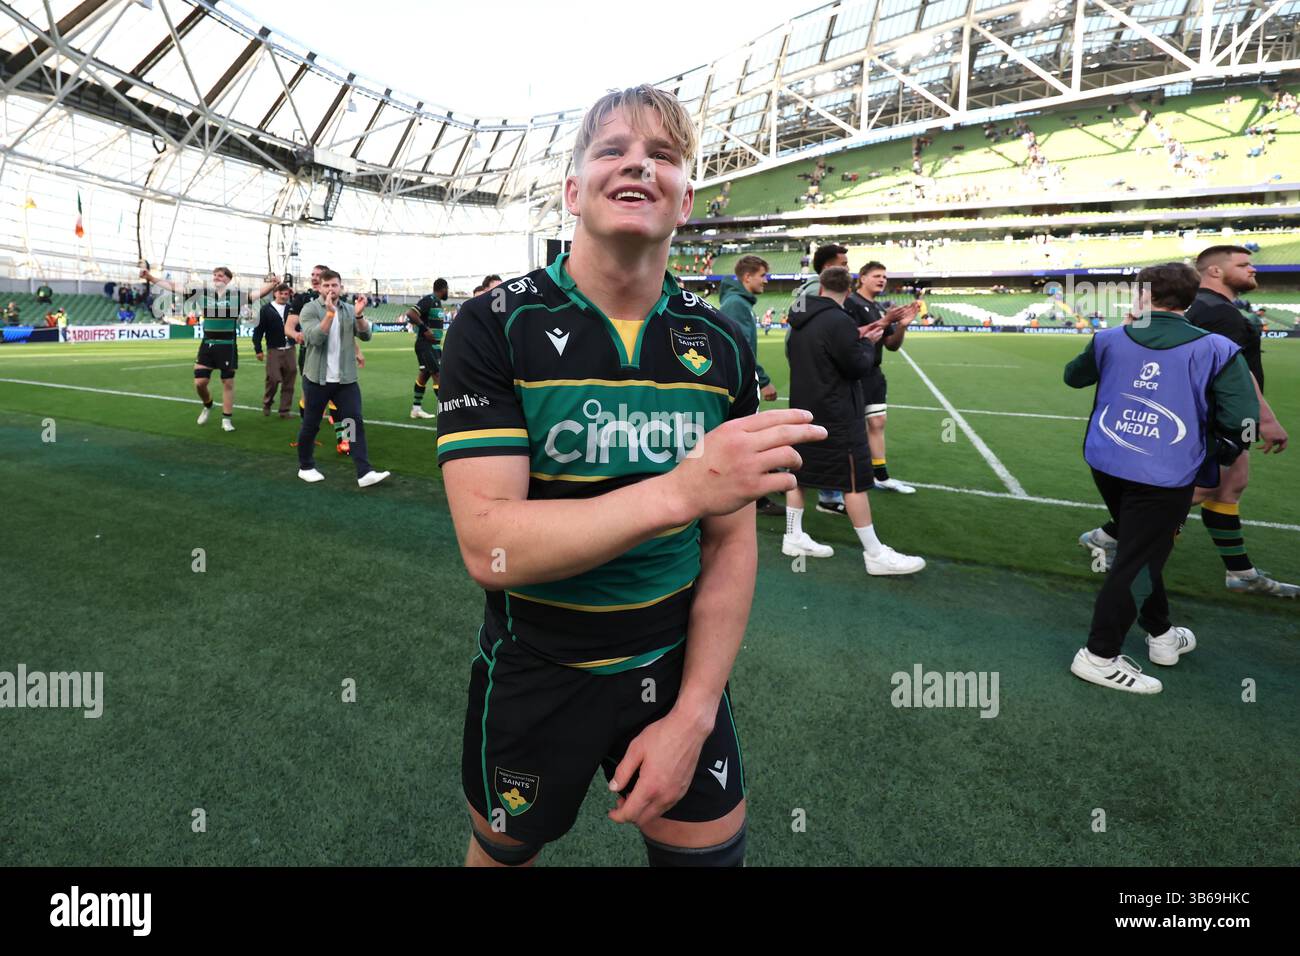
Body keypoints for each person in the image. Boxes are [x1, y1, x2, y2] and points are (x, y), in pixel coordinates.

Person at [436, 84, 822, 868]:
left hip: (674, 665)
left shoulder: (720, 344)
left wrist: (692, 714)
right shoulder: (493, 325)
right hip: (537, 667)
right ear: (574, 191)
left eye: (664, 156)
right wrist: (682, 489)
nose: (638, 164)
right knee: (500, 856)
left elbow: (730, 547)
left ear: (686, 201)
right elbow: (490, 547)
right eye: (613, 150)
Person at [1064, 263, 1259, 694]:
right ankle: (1098, 655)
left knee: (1142, 550)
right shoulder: (1219, 348)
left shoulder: (1110, 338)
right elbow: (1244, 421)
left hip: (1107, 460)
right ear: (1190, 300)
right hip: (1167, 472)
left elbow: (1073, 377)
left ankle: (1162, 634)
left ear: (1141, 295)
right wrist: (1221, 453)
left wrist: (1116, 336)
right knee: (1137, 558)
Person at [1079, 245, 1294, 596]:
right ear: (1213, 272)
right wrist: (1262, 421)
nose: (1252, 269)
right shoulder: (1220, 315)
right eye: (1242, 264)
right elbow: (1237, 375)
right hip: (1205, 421)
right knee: (1197, 488)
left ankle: (1234, 569)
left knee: (1227, 485)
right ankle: (1126, 552)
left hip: (1187, 418)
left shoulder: (1207, 309)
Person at [783, 266, 925, 575]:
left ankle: (792, 536)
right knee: (855, 480)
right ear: (849, 291)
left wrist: (867, 332)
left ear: (821, 287)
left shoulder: (800, 319)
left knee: (799, 472)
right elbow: (858, 365)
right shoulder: (839, 320)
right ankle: (875, 554)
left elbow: (824, 349)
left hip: (804, 408)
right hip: (836, 412)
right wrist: (865, 342)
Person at [141, 265, 277, 432]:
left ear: (228, 279)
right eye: (215, 275)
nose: (216, 277)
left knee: (227, 382)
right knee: (200, 382)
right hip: (207, 344)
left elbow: (258, 294)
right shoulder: (203, 294)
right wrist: (151, 278)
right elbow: (175, 287)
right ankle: (208, 405)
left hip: (227, 345)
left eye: (221, 275)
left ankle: (226, 419)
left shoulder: (237, 296)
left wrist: (273, 285)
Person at [294, 270, 388, 487]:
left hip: (345, 380)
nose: (330, 289)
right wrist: (328, 314)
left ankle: (364, 472)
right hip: (317, 379)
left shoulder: (348, 310)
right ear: (319, 287)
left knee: (353, 421)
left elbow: (366, 335)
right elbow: (313, 339)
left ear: (341, 287)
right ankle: (305, 466)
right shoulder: (310, 309)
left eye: (334, 285)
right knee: (311, 424)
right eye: (326, 286)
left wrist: (359, 315)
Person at [785, 243, 853, 517]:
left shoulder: (804, 289)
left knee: (810, 428)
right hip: (820, 372)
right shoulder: (817, 290)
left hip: (806, 369)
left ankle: (821, 488)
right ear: (828, 267)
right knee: (824, 431)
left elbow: (795, 323)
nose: (847, 267)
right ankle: (828, 493)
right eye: (843, 263)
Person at [845, 261, 920, 494]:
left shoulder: (878, 307)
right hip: (853, 374)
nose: (882, 280)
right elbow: (847, 338)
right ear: (862, 278)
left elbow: (891, 345)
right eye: (877, 275)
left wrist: (902, 326)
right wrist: (885, 321)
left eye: (885, 276)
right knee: (848, 428)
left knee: (877, 422)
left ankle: (881, 475)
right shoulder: (850, 303)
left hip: (874, 373)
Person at [718, 255, 784, 517]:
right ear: (747, 277)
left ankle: (764, 479)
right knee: (745, 439)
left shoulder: (738, 303)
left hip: (740, 381)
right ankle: (756, 499)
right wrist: (763, 381)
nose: (765, 281)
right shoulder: (736, 305)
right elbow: (741, 348)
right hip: (739, 383)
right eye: (762, 275)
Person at [253, 283, 298, 418]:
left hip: (290, 349)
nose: (284, 296)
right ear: (275, 293)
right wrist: (258, 349)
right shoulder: (266, 309)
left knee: (289, 381)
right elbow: (258, 331)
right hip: (274, 350)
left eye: (286, 294)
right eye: (281, 293)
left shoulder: (292, 308)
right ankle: (267, 402)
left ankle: (284, 410)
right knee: (273, 379)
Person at [405, 277, 448, 419]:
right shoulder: (429, 299)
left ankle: (416, 409)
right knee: (438, 374)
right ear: (444, 289)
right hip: (426, 345)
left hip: (433, 346)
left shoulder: (437, 302)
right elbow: (411, 313)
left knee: (424, 375)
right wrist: (425, 329)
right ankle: (447, 413)